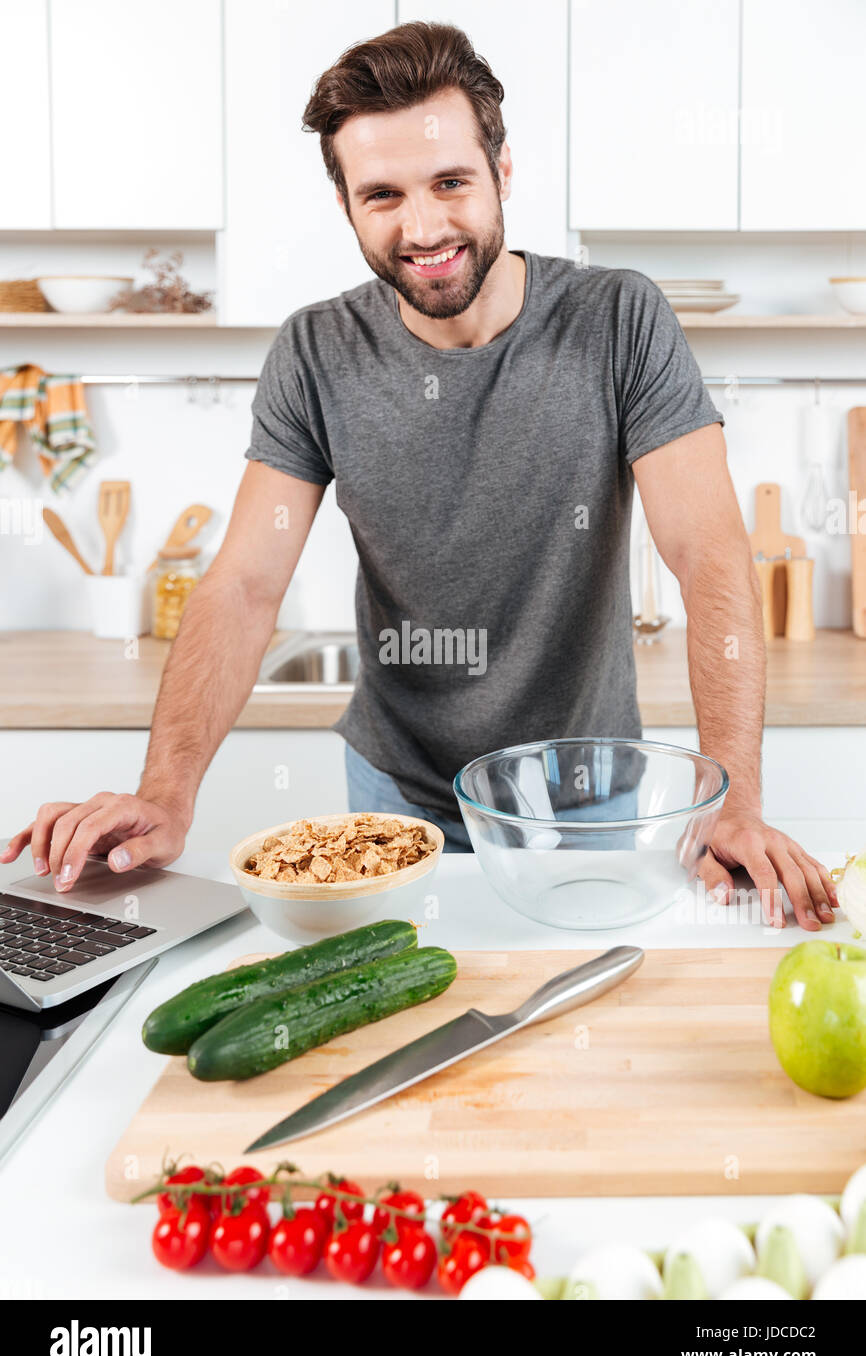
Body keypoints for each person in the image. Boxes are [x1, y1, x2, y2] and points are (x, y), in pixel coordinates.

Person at [2, 21, 837, 932]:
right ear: (346, 205)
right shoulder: (315, 353)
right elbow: (244, 584)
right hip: (397, 802)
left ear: (503, 172)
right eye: (384, 195)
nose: (425, 227)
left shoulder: (619, 320)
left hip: (592, 796)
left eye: (450, 183)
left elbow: (709, 553)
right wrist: (164, 791)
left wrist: (735, 797)